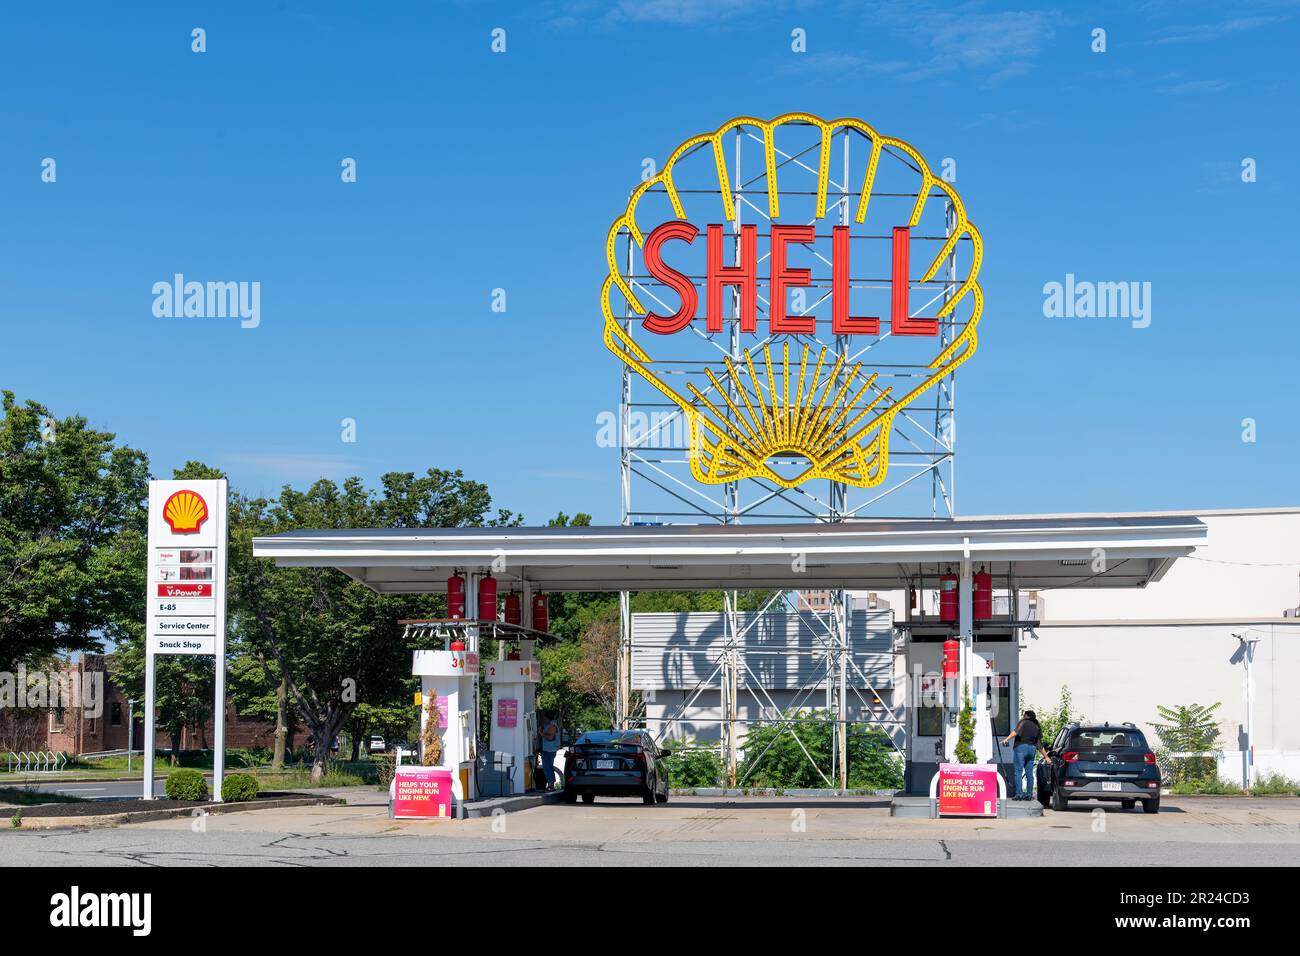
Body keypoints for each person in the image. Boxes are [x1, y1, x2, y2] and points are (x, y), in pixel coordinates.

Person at [1002, 709, 1049, 800]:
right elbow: (1039, 744)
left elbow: (1016, 732)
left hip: (1020, 748)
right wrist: (1046, 756)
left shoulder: (1024, 722)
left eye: (1024, 715)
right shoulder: (1037, 726)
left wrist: (1007, 739)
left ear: (1027, 716)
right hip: (1032, 749)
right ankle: (1029, 795)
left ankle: (1019, 794)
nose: (1023, 717)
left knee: (1018, 772)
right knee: (1029, 773)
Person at [538, 711, 561, 791]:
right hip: (547, 749)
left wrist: (541, 733)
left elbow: (550, 737)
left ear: (547, 717)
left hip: (549, 750)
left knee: (548, 767)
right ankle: (550, 784)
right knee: (547, 767)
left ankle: (551, 785)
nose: (543, 719)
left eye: (544, 717)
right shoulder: (548, 725)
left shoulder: (552, 726)